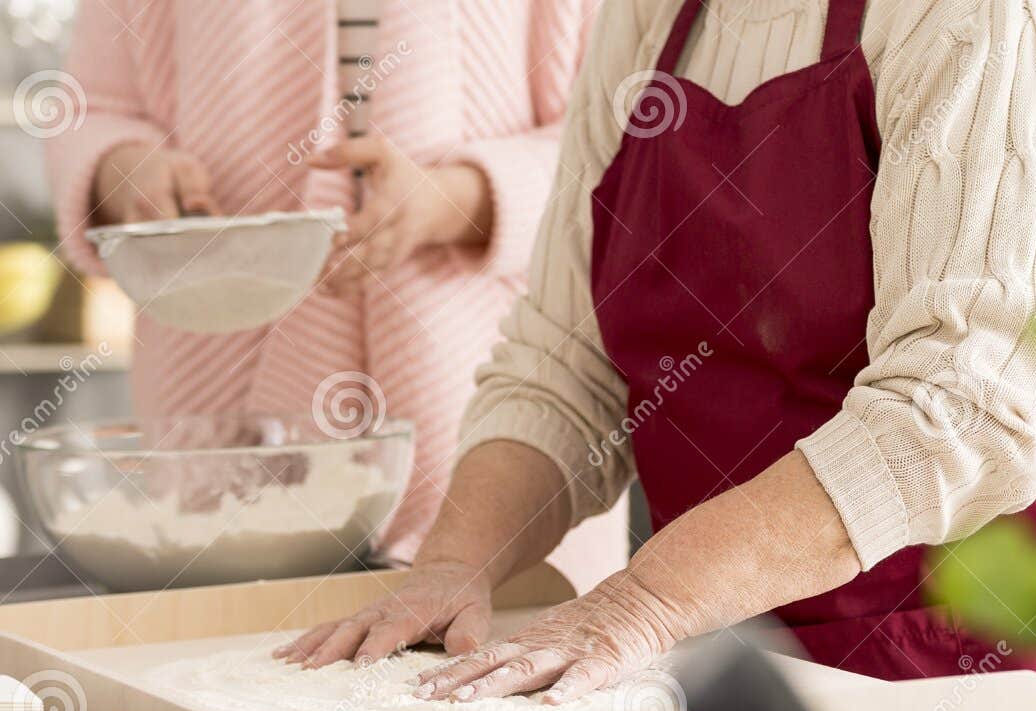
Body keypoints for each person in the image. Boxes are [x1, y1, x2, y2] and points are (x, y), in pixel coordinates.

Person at [281, 0, 1036, 704]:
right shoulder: (653, 14)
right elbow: (565, 362)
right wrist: (454, 561)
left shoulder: (998, 17)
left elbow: (960, 412)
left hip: (1006, 672)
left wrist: (646, 600)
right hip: (757, 667)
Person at [46, 0, 626, 585]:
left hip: (498, 411)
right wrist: (124, 169)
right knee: (224, 628)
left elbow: (627, 141)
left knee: (503, 626)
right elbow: (89, 109)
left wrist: (456, 200)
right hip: (217, 420)